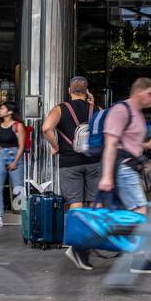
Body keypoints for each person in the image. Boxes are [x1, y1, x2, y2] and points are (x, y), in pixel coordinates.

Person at [84, 77, 151, 274]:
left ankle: (81, 247)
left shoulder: (137, 113)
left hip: (128, 167)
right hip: (123, 169)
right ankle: (137, 259)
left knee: (119, 215)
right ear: (139, 92)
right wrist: (107, 177)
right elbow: (111, 144)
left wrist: (147, 146)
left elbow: (129, 143)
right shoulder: (121, 111)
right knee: (139, 211)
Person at [42, 76, 99, 210]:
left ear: (69, 90)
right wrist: (92, 105)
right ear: (87, 92)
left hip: (69, 162)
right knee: (96, 201)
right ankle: (96, 230)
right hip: (94, 162)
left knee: (75, 202)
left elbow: (46, 128)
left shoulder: (60, 109)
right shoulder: (97, 110)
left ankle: (78, 230)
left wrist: (55, 146)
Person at [0, 102, 26, 227]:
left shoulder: (17, 126)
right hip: (1, 157)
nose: (0, 110)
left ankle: (25, 218)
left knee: (18, 189)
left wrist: (15, 162)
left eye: (3, 108)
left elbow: (22, 146)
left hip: (15, 155)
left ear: (10, 112)